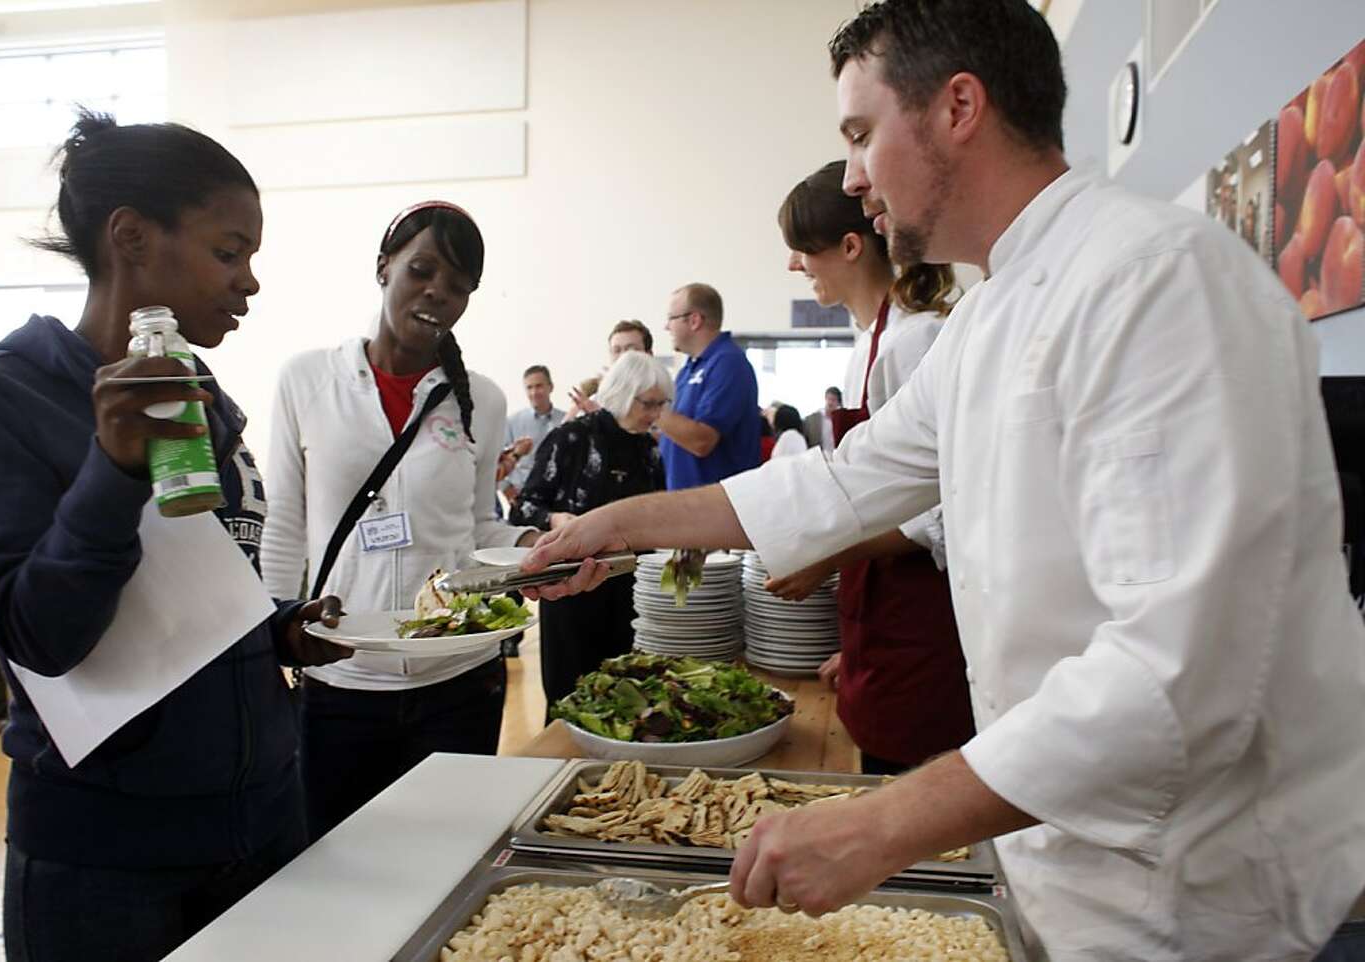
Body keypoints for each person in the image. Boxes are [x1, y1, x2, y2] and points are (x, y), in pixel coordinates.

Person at [518, 2, 1365, 959]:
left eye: (860, 133)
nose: (850, 177)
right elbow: (838, 486)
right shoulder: (989, 318)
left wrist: (883, 822)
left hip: (1202, 895)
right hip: (1062, 860)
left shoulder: (1157, 280)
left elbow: (1182, 669)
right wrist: (615, 525)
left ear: (959, 105)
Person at [0, 111, 348, 962]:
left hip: (264, 822)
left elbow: (188, 585)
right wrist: (113, 469)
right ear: (130, 237)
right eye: (230, 252)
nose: (250, 283)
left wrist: (277, 627)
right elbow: (40, 637)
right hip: (108, 863)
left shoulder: (202, 394)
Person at [259, 200, 538, 842]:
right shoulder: (307, 380)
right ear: (383, 268)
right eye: (422, 270)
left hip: (458, 679)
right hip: (339, 678)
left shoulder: (481, 400)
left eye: (459, 287)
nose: (438, 293)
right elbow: (285, 526)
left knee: (448, 856)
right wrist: (271, 635)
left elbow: (474, 530)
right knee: (337, 861)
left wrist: (535, 545)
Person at [766, 158, 972, 776]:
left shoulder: (918, 340)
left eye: (802, 249)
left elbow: (941, 510)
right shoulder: (869, 344)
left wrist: (830, 557)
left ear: (852, 246)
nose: (794, 265)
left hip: (923, 621)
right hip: (878, 619)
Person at [508, 351, 669, 703]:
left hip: (631, 594)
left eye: (662, 404)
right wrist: (555, 519)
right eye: (649, 404)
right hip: (569, 591)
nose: (657, 415)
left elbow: (658, 514)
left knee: (626, 698)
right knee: (570, 699)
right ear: (624, 393)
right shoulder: (570, 439)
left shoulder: (649, 451)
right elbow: (524, 508)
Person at [656, 283, 761, 489]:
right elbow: (674, 430)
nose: (666, 327)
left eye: (671, 318)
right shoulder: (689, 368)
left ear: (694, 320)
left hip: (714, 508)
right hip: (684, 500)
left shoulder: (728, 363)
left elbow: (702, 441)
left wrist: (647, 406)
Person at [500, 364, 565, 505]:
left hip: (557, 497)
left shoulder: (566, 421)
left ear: (551, 387)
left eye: (539, 386)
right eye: (529, 387)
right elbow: (495, 460)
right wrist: (506, 489)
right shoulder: (512, 422)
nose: (534, 392)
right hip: (523, 497)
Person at [566, 319, 655, 416]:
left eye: (631, 349)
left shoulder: (666, 397)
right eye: (617, 350)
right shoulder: (593, 402)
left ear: (649, 355)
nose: (623, 357)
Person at [802, 386, 842, 450]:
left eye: (833, 400)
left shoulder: (840, 421)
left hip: (835, 457)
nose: (830, 403)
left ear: (838, 403)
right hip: (816, 456)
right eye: (829, 399)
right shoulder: (812, 419)